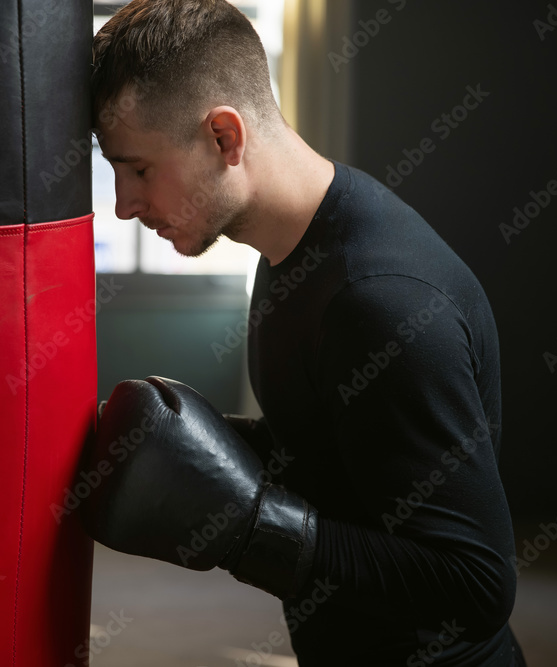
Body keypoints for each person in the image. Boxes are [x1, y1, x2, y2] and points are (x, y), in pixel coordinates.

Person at [81, 1, 525, 665]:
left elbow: (477, 583)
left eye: (138, 168)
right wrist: (207, 446)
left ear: (225, 138)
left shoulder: (381, 301)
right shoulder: (295, 249)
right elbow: (343, 450)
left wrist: (257, 530)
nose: (123, 204)